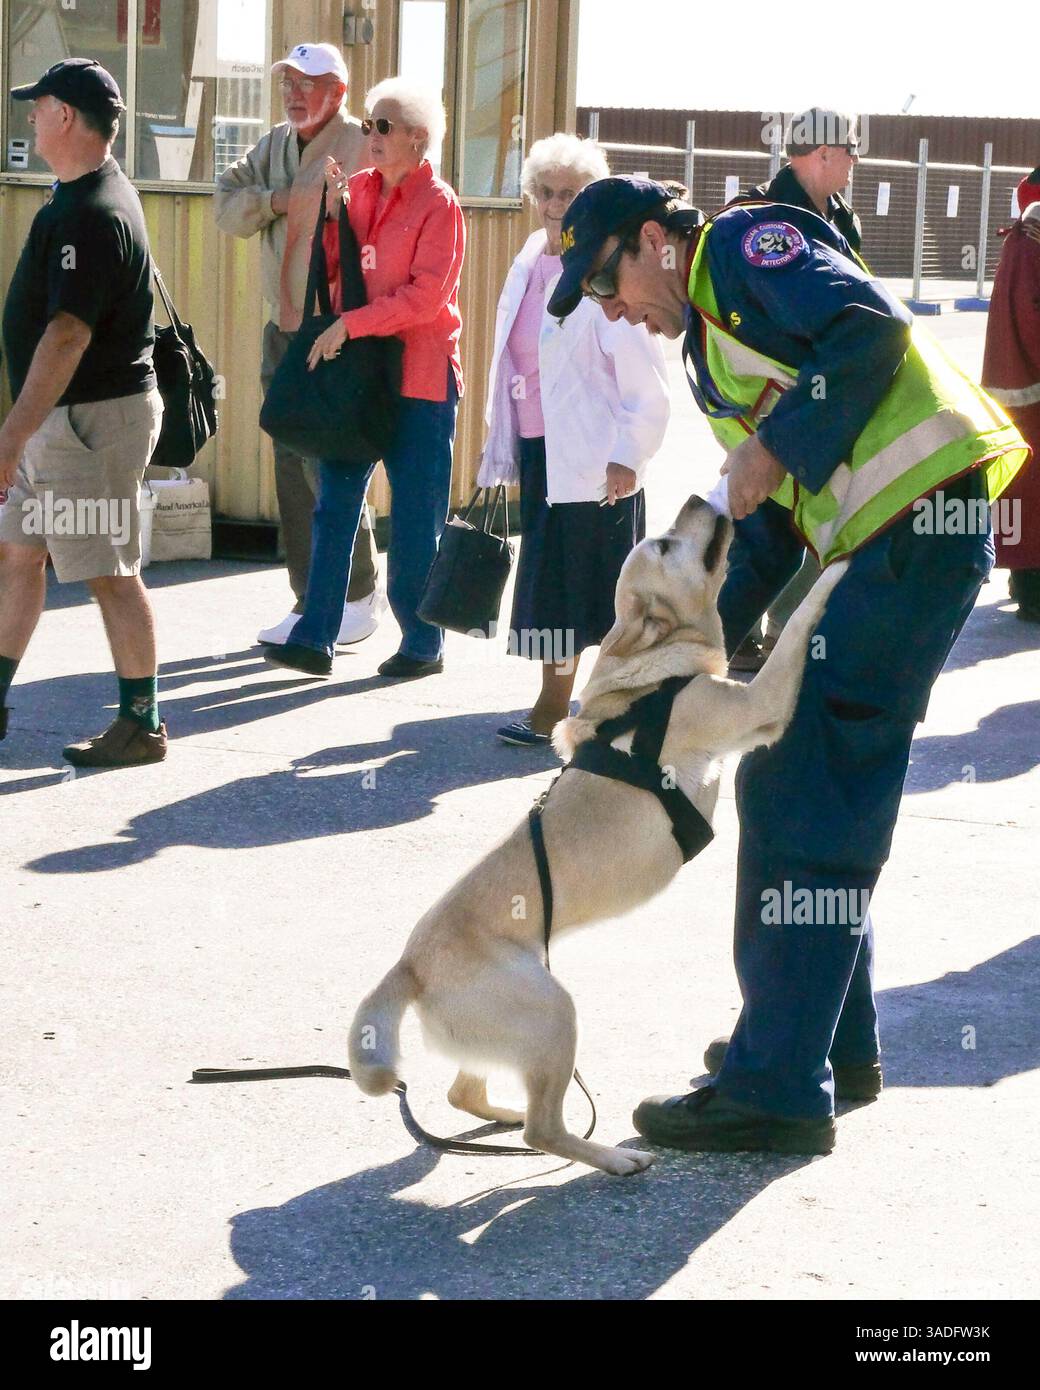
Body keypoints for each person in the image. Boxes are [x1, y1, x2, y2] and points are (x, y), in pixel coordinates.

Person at [547, 175, 1027, 1154]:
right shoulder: (707, 343)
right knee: (809, 778)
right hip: (885, 544)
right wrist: (660, 664)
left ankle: (776, 1082)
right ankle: (824, 1045)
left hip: (917, 530)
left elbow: (867, 332)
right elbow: (764, 519)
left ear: (652, 239)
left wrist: (772, 442)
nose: (612, 309)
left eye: (607, 280)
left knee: (801, 779)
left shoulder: (738, 249)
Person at [264, 78, 464, 680]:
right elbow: (334, 270)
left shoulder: (441, 205)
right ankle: (315, 634)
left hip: (420, 379)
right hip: (359, 378)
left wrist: (353, 325)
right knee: (335, 503)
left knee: (413, 518)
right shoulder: (355, 191)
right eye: (370, 124)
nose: (369, 135)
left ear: (418, 139)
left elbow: (427, 298)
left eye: (382, 126)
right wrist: (330, 217)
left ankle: (422, 644)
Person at [0, 59, 167, 767]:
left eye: (37, 107)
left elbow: (69, 333)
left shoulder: (93, 213)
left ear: (66, 115)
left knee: (106, 569)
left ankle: (142, 721)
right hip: (58, 426)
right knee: (18, 554)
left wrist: (11, 433)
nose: (30, 117)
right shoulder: (81, 194)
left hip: (84, 426)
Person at [478, 134, 669, 745]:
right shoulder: (532, 260)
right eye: (546, 193)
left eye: (570, 194)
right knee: (552, 582)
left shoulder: (606, 271)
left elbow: (647, 382)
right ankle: (568, 703)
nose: (556, 205)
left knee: (597, 591)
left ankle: (572, 708)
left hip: (595, 462)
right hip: (541, 451)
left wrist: (626, 456)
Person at [214, 41, 384, 648]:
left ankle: (359, 593)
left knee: (330, 465)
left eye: (308, 83)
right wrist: (281, 201)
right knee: (289, 460)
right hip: (282, 329)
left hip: (336, 331)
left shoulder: (364, 142)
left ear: (339, 92)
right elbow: (225, 209)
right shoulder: (273, 147)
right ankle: (308, 598)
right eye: (287, 81)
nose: (293, 93)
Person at [731, 107, 862, 671]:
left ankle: (785, 638)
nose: (856, 163)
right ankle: (730, 642)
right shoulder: (758, 215)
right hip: (770, 399)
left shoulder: (839, 217)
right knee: (763, 525)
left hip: (821, 396)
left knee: (807, 522)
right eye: (850, 152)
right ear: (825, 154)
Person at [981, 168, 1040, 623]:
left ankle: (1027, 584)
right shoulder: (1030, 241)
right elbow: (1031, 316)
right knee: (1031, 493)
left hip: (1020, 383)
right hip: (1028, 390)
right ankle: (1032, 591)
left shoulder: (1025, 239)